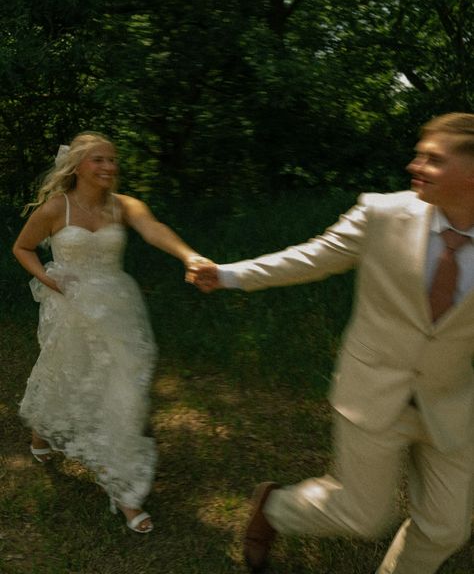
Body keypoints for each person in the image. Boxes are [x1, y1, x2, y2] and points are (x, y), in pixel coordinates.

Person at [189, 112, 474, 573]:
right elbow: (311, 257)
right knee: (363, 516)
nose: (414, 165)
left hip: (450, 400)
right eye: (420, 154)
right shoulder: (382, 213)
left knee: (447, 529)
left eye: (433, 159)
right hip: (373, 389)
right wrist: (227, 275)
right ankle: (274, 507)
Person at [13, 131, 207, 534]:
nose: (108, 167)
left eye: (112, 160)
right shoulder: (56, 208)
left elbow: (154, 230)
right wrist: (48, 281)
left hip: (119, 307)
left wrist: (189, 256)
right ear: (78, 166)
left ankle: (125, 492)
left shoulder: (126, 206)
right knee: (67, 374)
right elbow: (23, 248)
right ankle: (40, 431)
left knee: (122, 389)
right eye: (99, 159)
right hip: (71, 307)